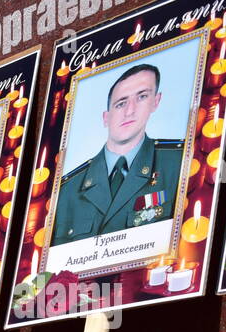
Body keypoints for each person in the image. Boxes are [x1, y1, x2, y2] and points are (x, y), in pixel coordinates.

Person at [52, 63, 183, 244]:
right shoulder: (67, 189)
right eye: (121, 104)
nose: (130, 111)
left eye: (142, 97)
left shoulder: (179, 163)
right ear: (106, 118)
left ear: (156, 101)